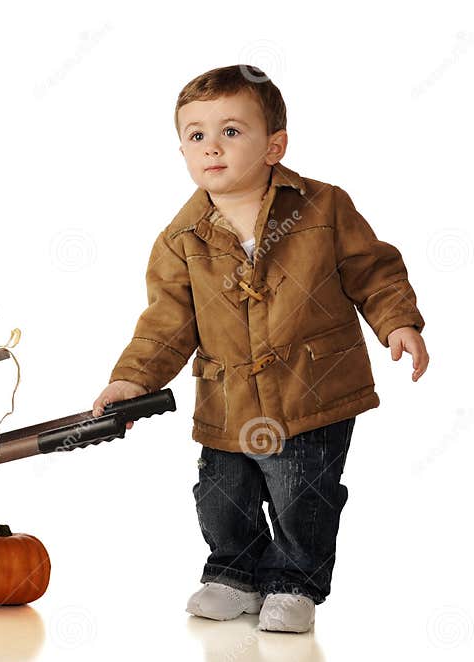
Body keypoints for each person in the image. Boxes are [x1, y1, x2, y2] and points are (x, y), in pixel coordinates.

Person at [91, 64, 429, 633]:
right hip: (227, 397)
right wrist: (134, 380)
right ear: (181, 150)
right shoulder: (182, 238)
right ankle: (234, 573)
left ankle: (295, 581)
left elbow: (372, 271)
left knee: (303, 493)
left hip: (311, 390)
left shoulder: (323, 207)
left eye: (231, 131)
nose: (212, 147)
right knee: (222, 494)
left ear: (275, 145)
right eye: (196, 135)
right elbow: (166, 321)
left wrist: (397, 322)